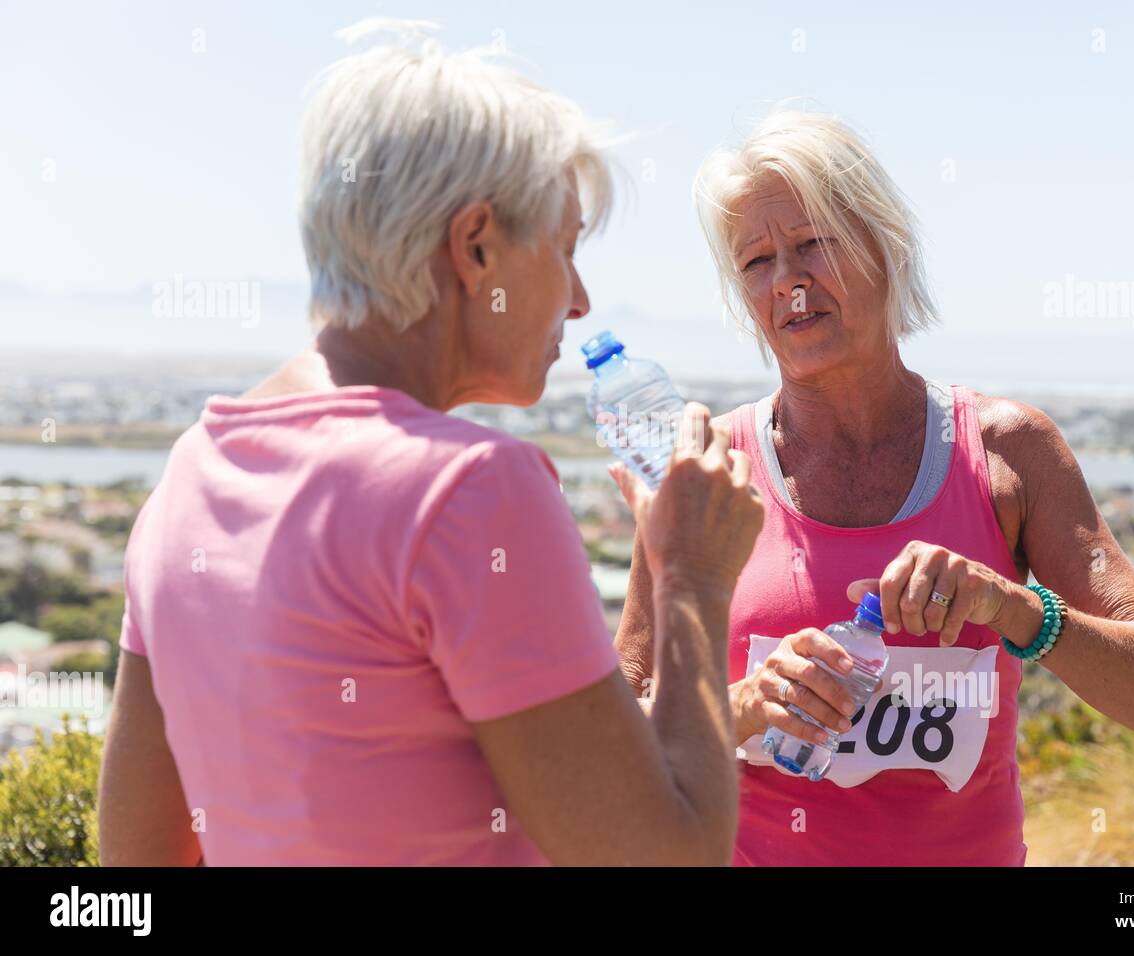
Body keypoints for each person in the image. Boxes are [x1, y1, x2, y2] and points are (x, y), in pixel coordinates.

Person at [97, 21, 763, 867]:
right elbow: (664, 857)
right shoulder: (472, 490)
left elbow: (136, 859)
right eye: (565, 248)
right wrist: (694, 578)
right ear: (476, 246)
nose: (582, 299)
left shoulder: (190, 478)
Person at [615, 110, 1134, 866]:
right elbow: (612, 746)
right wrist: (740, 708)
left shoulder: (1007, 451)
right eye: (756, 262)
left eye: (812, 243)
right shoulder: (706, 469)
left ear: (884, 246)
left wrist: (1014, 609)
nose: (789, 281)